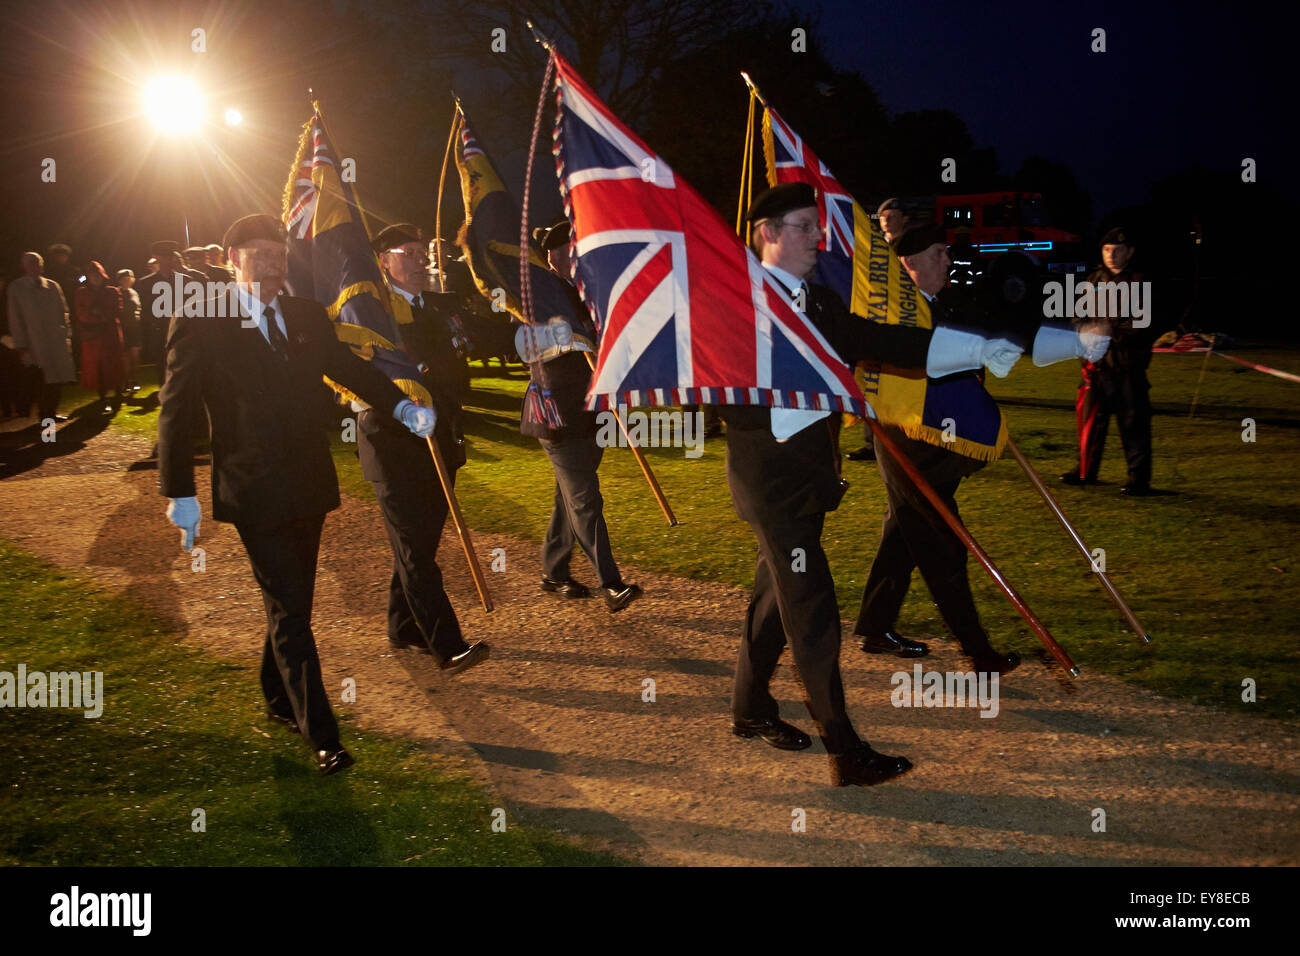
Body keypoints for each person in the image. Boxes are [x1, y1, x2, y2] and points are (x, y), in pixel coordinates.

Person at [722, 184, 1023, 787]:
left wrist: (974, 347)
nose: (818, 237)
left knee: (773, 598)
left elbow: (885, 341)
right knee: (812, 610)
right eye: (805, 227)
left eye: (816, 226)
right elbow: (723, 393)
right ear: (768, 233)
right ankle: (846, 750)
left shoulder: (818, 300)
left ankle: (750, 709)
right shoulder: (739, 301)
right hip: (771, 484)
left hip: (809, 481)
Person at [159, 213, 436, 776]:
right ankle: (323, 735)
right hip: (252, 487)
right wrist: (179, 490)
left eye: (277, 251)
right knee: (289, 607)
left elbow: (348, 371)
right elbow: (177, 407)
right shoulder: (201, 321)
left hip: (308, 482)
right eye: (256, 252)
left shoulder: (306, 316)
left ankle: (278, 695)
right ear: (231, 260)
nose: (271, 260)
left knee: (291, 601)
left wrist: (401, 405)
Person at [851, 223, 1106, 670]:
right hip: (905, 441)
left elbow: (1008, 336)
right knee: (943, 544)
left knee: (904, 535)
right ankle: (979, 653)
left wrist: (1079, 344)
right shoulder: (892, 315)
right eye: (937, 254)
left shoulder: (949, 303)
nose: (948, 262)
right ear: (908, 264)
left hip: (940, 446)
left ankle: (875, 625)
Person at [362, 222, 496, 670]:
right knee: (415, 550)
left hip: (443, 440)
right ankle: (447, 644)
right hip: (394, 445)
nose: (421, 261)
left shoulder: (441, 306)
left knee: (420, 544)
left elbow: (473, 348)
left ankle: (401, 626)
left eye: (424, 253)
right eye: (409, 253)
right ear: (383, 261)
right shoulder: (370, 313)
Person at [517, 218, 641, 612]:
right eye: (567, 250)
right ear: (551, 256)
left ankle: (554, 572)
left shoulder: (588, 293)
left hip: (590, 413)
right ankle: (611, 584)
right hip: (556, 413)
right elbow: (523, 345)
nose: (575, 255)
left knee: (567, 499)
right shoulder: (536, 296)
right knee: (586, 500)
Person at [1061, 227, 1157, 496]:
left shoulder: (1140, 282)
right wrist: (1083, 331)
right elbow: (1077, 316)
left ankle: (1138, 479)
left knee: (1133, 423)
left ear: (1130, 252)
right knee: (1091, 421)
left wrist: (1107, 331)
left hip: (1127, 366)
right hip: (1096, 366)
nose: (1111, 255)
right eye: (1106, 250)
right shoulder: (1093, 280)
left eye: (1118, 250)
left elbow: (1142, 323)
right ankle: (1085, 471)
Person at [6, 252, 75, 423]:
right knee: (39, 377)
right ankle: (40, 412)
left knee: (56, 378)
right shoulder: (17, 288)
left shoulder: (52, 286)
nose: (34, 267)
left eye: (37, 263)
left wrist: (66, 335)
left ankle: (50, 412)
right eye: (30, 263)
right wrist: (21, 343)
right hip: (33, 340)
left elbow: (63, 312)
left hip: (55, 339)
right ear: (24, 266)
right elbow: (15, 317)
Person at [73, 262, 127, 414]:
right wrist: (96, 317)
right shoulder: (81, 292)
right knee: (97, 367)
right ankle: (103, 397)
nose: (95, 278)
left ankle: (118, 392)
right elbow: (81, 313)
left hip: (110, 334)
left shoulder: (112, 291)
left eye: (97, 275)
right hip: (93, 336)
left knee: (114, 363)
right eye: (92, 275)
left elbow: (116, 309)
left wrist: (100, 314)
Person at [115, 269, 142, 393]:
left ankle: (133, 379)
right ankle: (125, 382)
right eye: (125, 279)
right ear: (119, 280)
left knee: (135, 356)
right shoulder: (116, 292)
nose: (128, 281)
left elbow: (138, 309)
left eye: (129, 278)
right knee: (125, 356)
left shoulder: (134, 292)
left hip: (134, 328)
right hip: (123, 328)